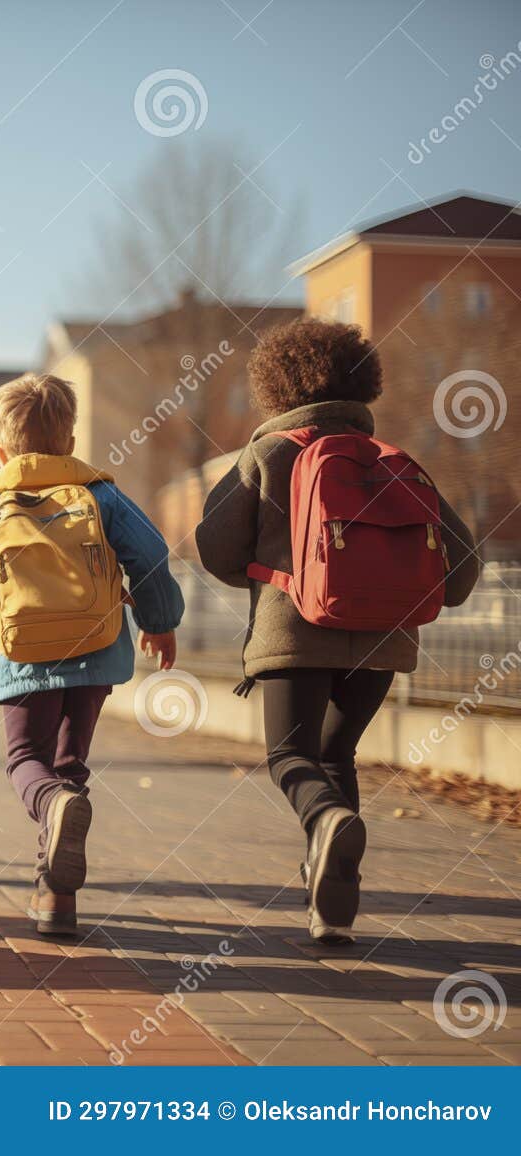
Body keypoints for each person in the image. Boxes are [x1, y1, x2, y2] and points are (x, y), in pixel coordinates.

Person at [195, 319, 479, 943]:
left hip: (293, 634)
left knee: (290, 756)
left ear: (278, 386)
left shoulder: (269, 453)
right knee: (336, 754)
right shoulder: (396, 461)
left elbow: (213, 546)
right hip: (384, 645)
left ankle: (324, 824)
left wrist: (259, 567)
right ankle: (332, 909)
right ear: (360, 383)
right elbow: (462, 572)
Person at [0, 373, 183, 937]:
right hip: (95, 655)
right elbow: (150, 555)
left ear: (0, 450)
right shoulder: (102, 494)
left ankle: (50, 814)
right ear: (69, 440)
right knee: (70, 771)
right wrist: (160, 622)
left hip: (23, 660)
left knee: (28, 763)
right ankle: (56, 901)